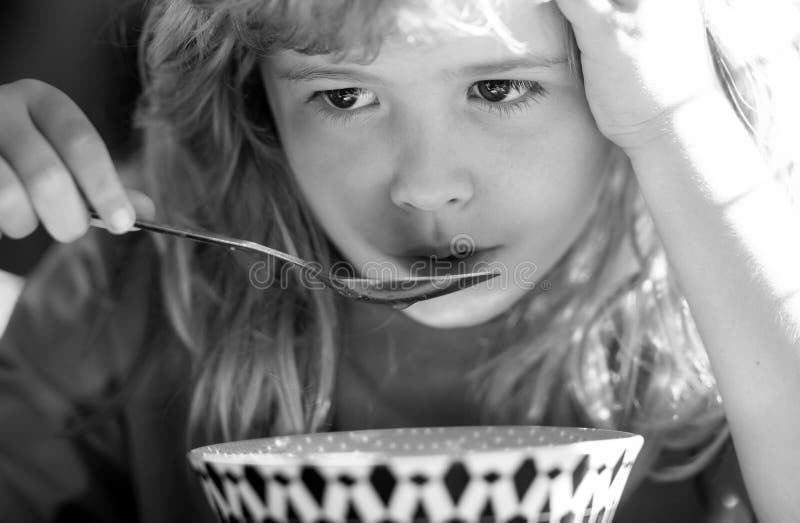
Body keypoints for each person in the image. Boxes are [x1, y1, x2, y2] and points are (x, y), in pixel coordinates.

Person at [1, 0, 799, 521]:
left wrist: (672, 125)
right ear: (256, 101)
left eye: (497, 88)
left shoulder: (742, 280)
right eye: (344, 97)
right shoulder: (124, 293)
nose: (425, 186)